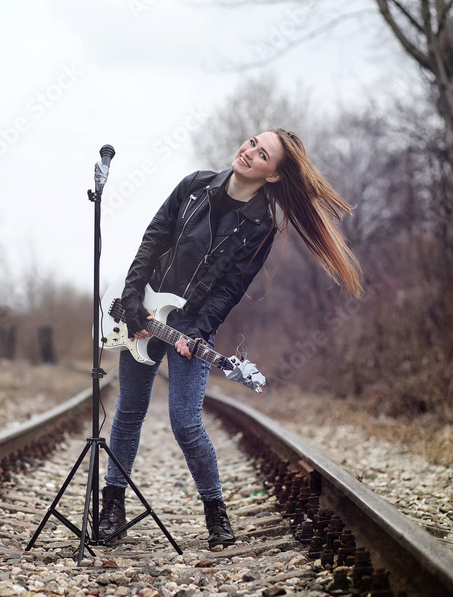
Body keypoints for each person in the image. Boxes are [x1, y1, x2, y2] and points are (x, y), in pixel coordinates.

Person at [99, 129, 364, 549]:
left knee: (186, 424)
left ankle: (215, 511)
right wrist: (132, 301)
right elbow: (151, 242)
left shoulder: (262, 225)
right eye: (252, 143)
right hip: (144, 308)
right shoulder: (193, 186)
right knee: (129, 412)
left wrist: (197, 332)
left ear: (273, 176)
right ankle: (111, 505)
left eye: (263, 155)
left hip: (193, 325)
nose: (249, 153)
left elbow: (230, 289)